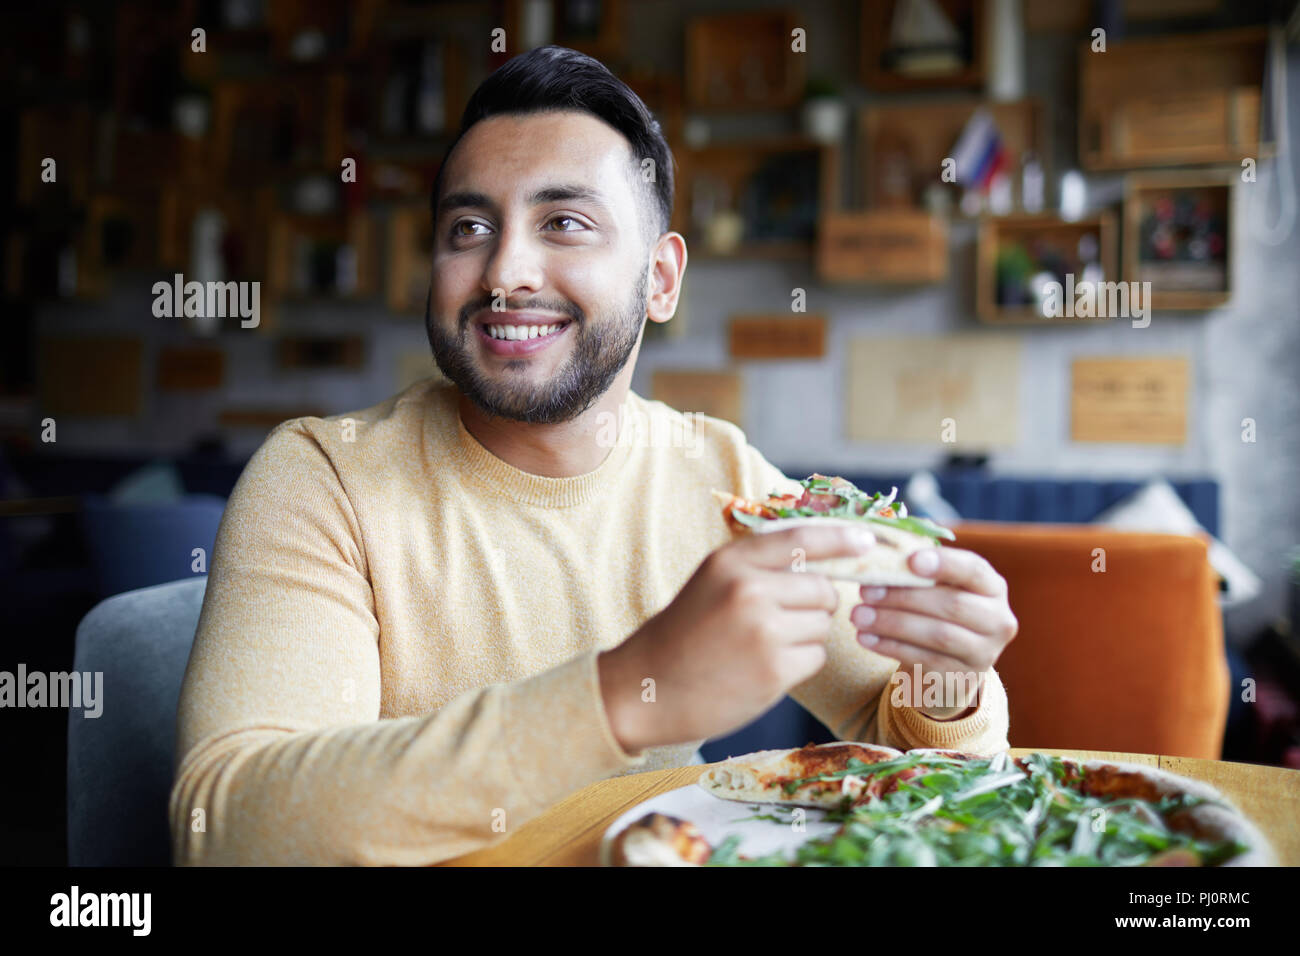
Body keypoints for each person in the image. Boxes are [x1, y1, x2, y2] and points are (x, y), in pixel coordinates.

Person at [169, 46, 1017, 865]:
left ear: (661, 277)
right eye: (468, 228)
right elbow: (226, 828)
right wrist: (621, 694)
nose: (504, 271)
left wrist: (947, 682)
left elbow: (931, 773)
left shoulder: (723, 482)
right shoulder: (323, 478)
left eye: (564, 222)